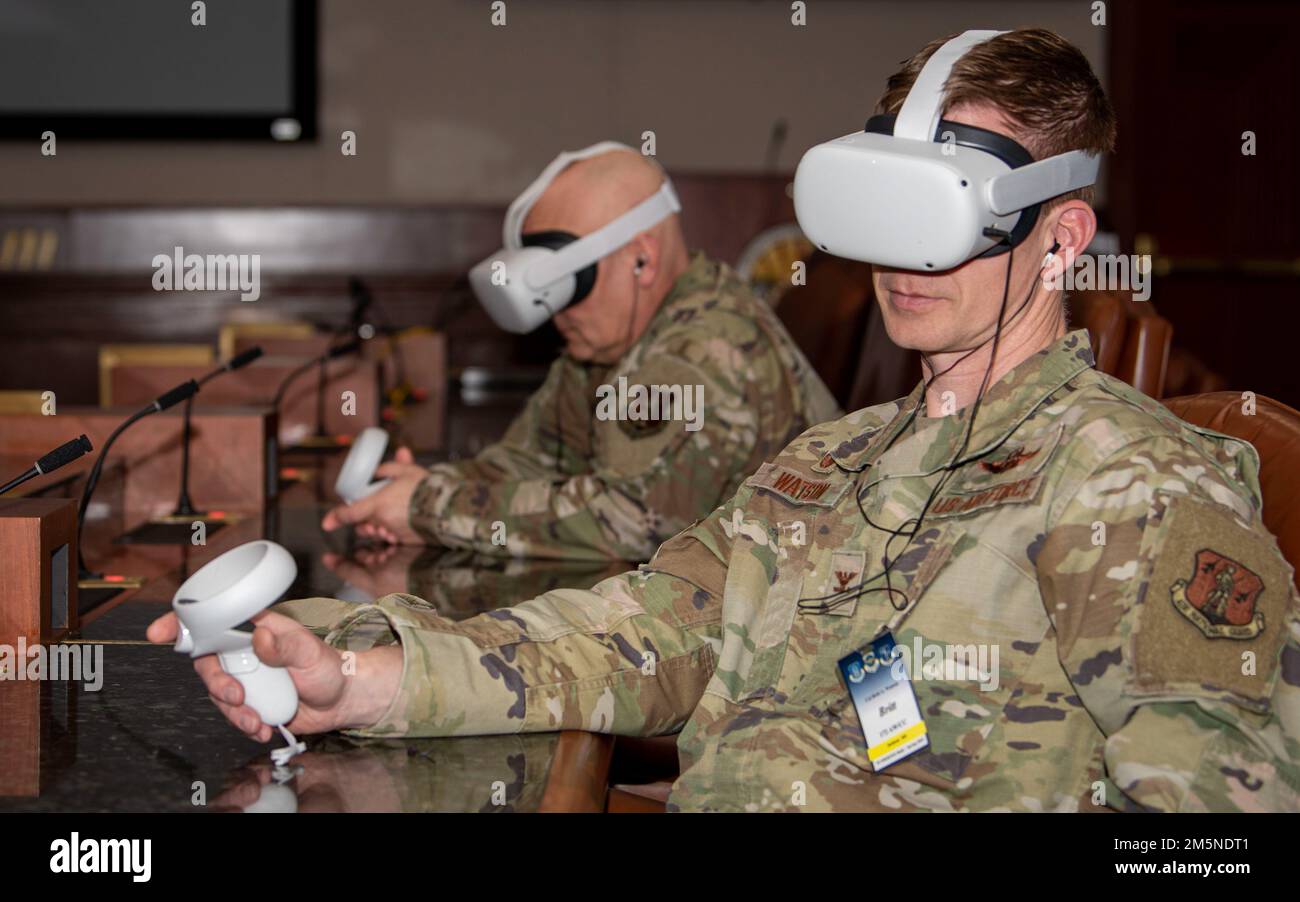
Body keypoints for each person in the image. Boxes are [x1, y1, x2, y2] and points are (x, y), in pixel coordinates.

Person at [150, 29, 1300, 812]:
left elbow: (1207, 826)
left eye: (941, 212)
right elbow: (629, 629)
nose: (902, 257)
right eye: (881, 206)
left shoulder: (1137, 491)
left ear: (1059, 237)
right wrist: (370, 671)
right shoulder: (833, 467)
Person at [320, 144, 840, 562]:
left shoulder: (697, 353)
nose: (556, 311)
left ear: (642, 259)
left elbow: (629, 520)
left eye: (571, 285)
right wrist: (422, 491)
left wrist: (430, 510)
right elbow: (528, 460)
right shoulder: (603, 341)